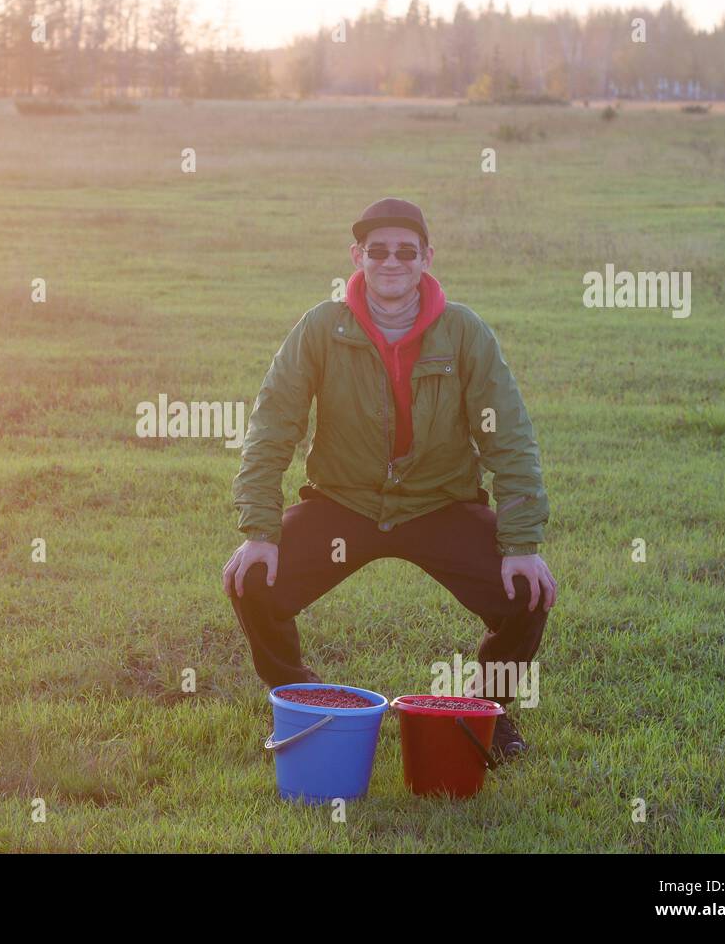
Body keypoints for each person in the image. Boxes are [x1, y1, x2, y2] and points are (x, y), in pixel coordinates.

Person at [222, 197, 557, 761]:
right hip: (343, 506)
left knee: (526, 592)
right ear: (357, 256)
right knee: (251, 580)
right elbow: (272, 425)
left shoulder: (464, 331)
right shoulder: (321, 328)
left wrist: (520, 544)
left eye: (407, 251)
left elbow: (510, 436)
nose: (392, 262)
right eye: (378, 251)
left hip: (438, 505)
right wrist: (260, 529)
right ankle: (308, 706)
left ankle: (486, 717)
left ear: (427, 257)